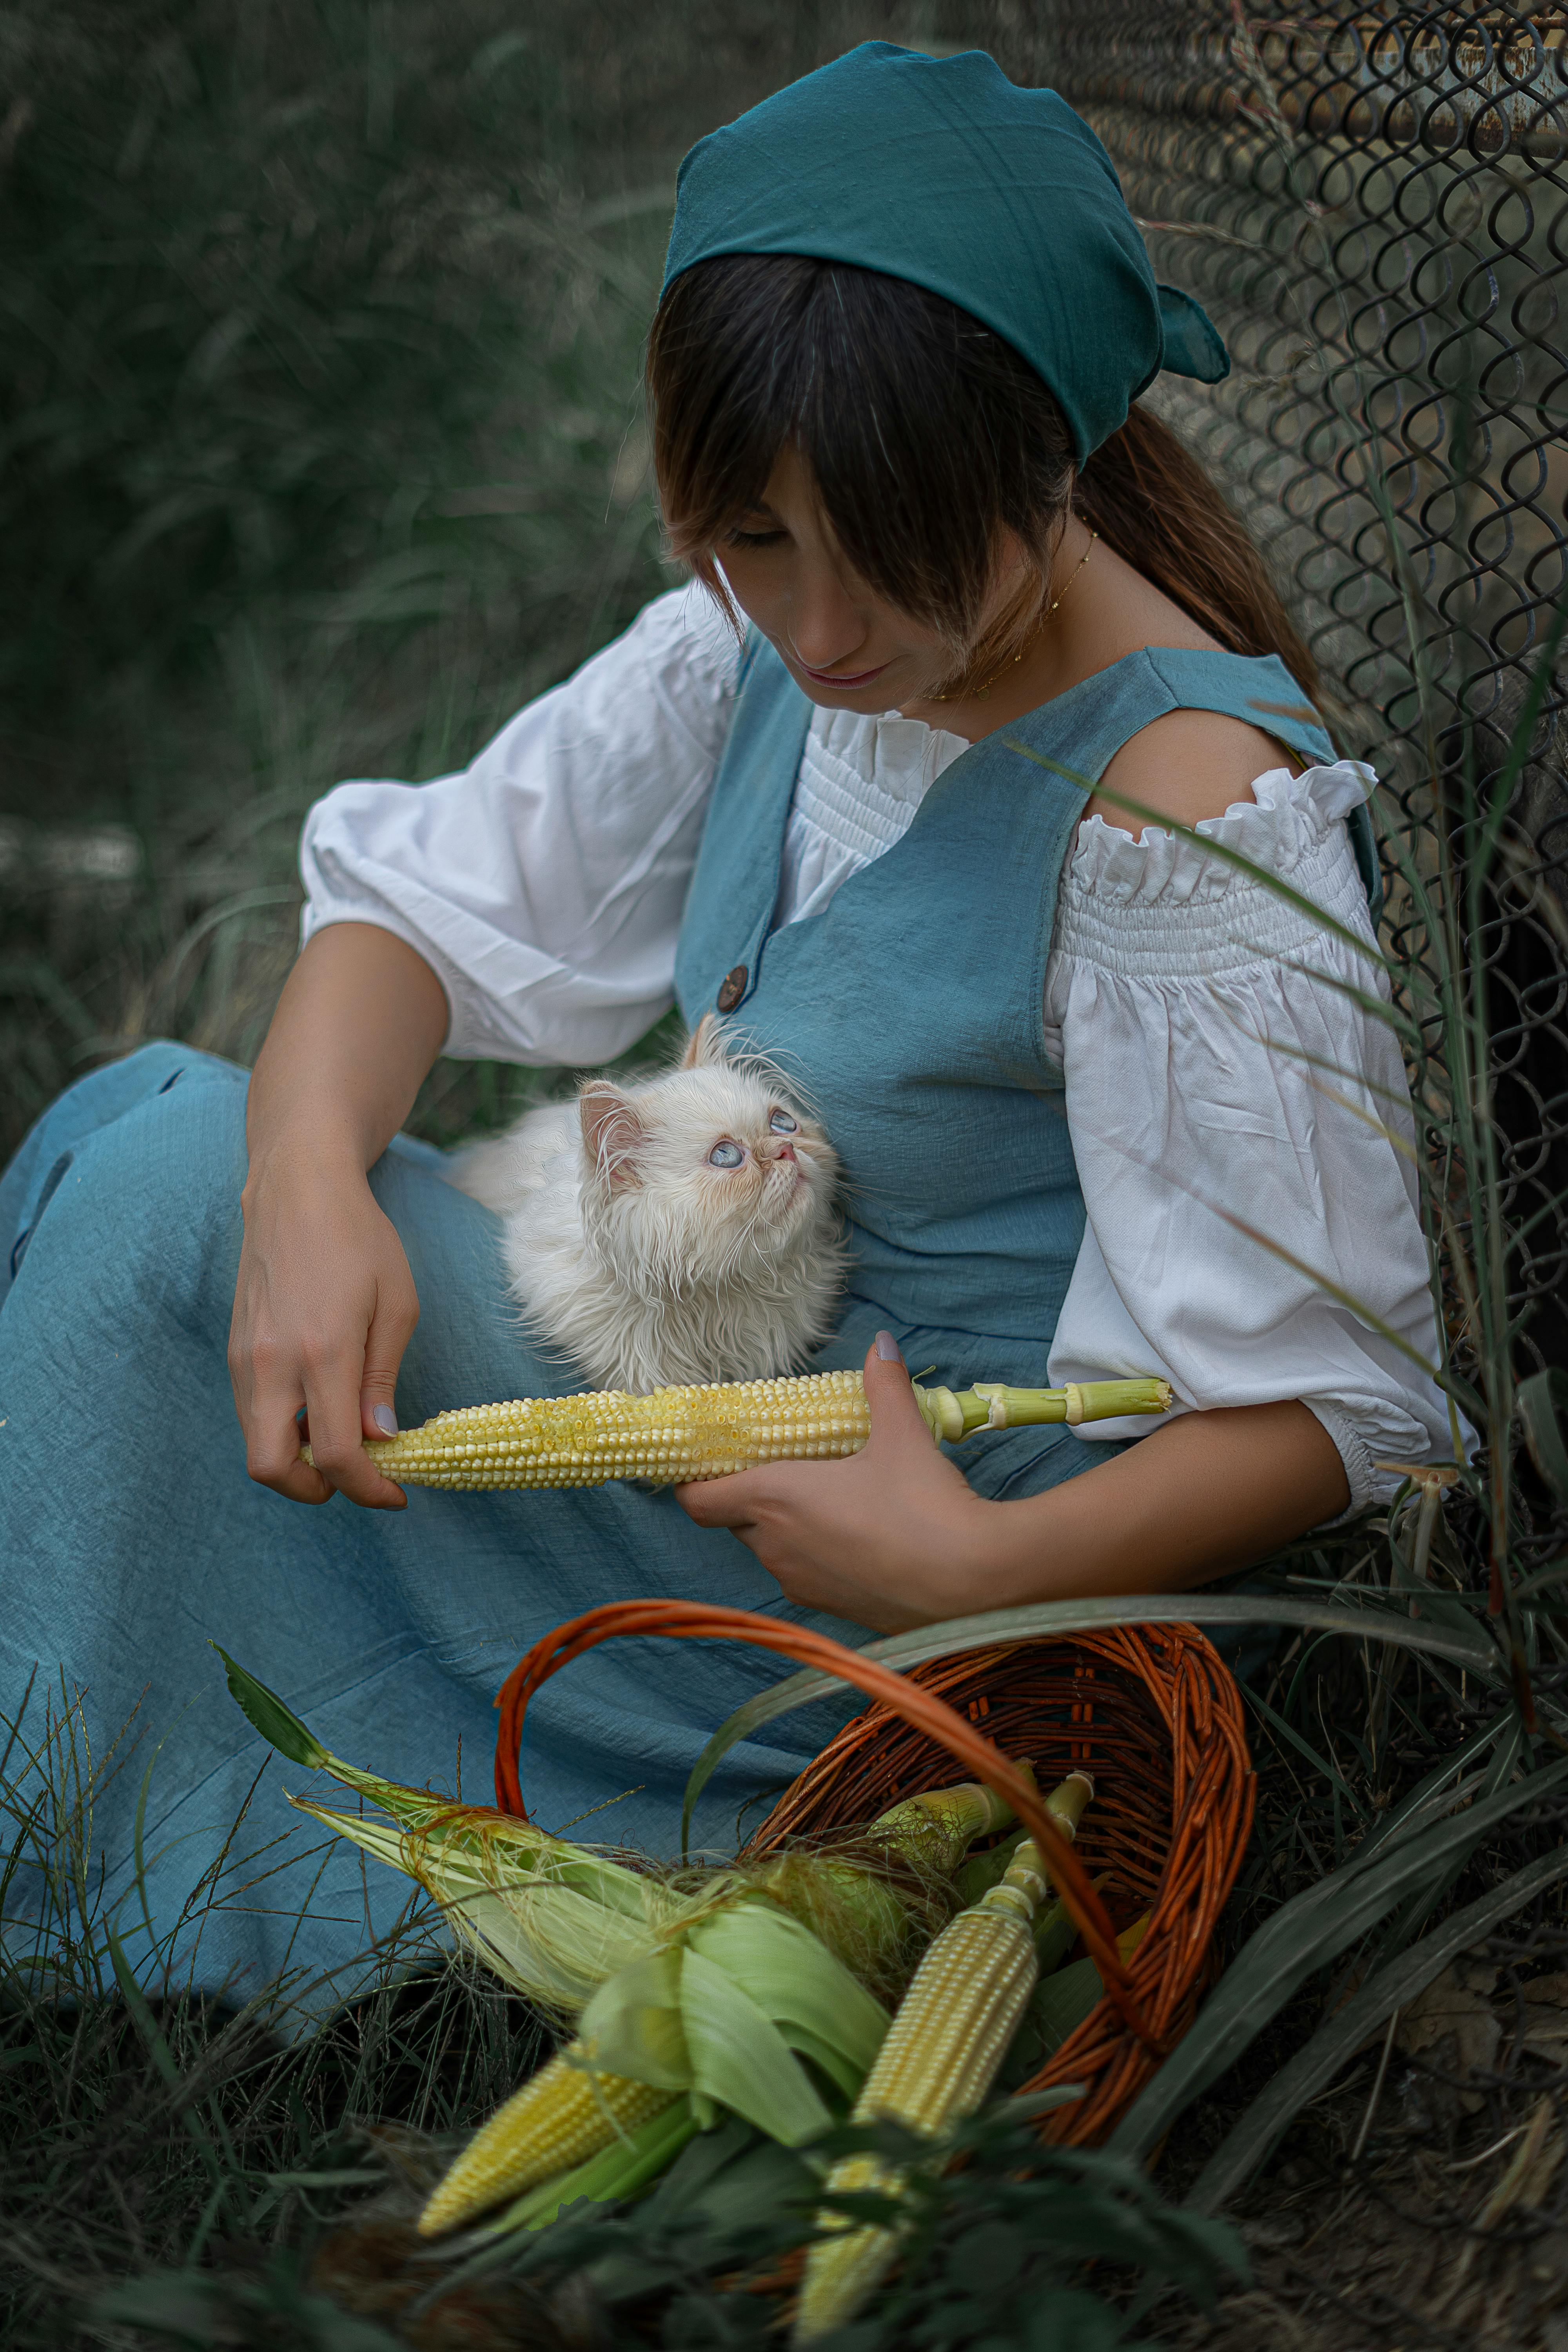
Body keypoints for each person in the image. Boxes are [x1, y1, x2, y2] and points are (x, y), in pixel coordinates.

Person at [0, 44, 1454, 2012]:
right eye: (754, 536)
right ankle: (75, 1771)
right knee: (185, 1154)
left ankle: (95, 1820)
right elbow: (417, 911)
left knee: (146, 1210)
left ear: (1050, 460)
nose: (821, 625)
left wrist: (969, 1575)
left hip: (918, 1577)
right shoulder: (756, 645)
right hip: (709, 1408)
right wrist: (304, 1175)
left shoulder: (1185, 817)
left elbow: (1333, 1407)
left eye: (886, 548)